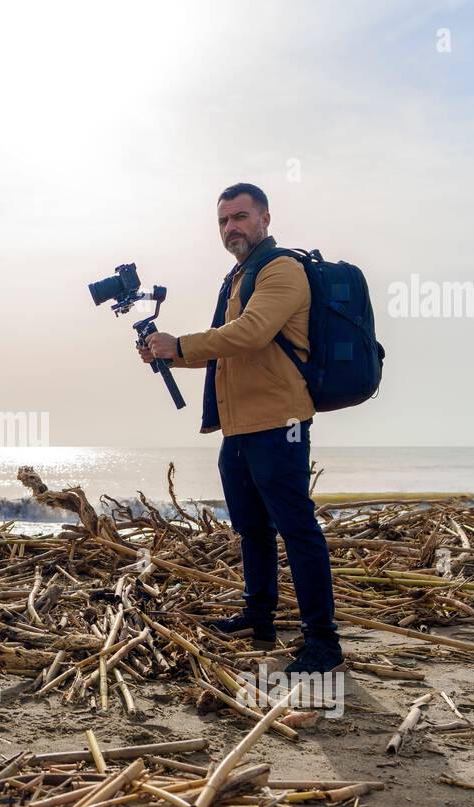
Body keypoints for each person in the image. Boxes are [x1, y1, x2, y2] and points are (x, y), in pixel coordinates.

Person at [137, 182, 344, 674]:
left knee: (297, 528)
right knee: (251, 527)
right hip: (238, 426)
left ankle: (323, 641)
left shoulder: (281, 270)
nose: (232, 227)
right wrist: (166, 353)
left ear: (265, 219)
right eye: (224, 220)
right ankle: (258, 617)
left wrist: (178, 345)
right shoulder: (237, 277)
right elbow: (225, 351)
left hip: (279, 421)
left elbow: (251, 334)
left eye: (241, 217)